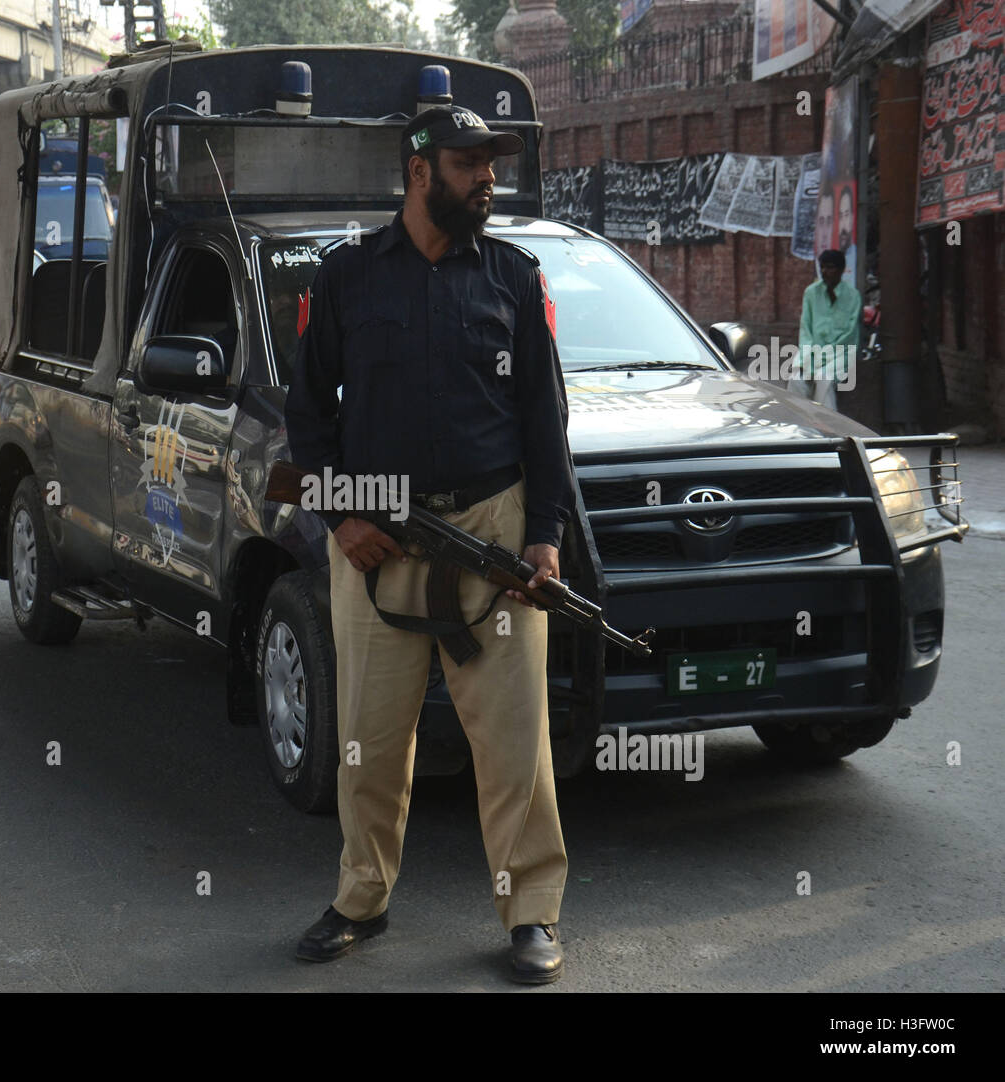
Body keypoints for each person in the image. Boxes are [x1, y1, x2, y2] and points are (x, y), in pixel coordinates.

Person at [284, 105, 576, 984]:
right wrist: (342, 517)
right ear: (419, 171)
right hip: (378, 537)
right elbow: (307, 416)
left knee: (514, 738)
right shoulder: (345, 278)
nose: (488, 177)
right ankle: (361, 898)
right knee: (369, 736)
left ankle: (531, 913)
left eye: (491, 163)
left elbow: (543, 416)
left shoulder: (515, 279)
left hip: (490, 528)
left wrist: (546, 538)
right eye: (468, 163)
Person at [792, 248, 860, 410]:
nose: (824, 272)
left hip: (840, 354)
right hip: (812, 351)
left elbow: (850, 335)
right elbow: (805, 329)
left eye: (830, 267)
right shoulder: (811, 293)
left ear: (841, 270)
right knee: (796, 379)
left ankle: (829, 430)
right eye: (822, 267)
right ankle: (801, 426)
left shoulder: (852, 296)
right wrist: (806, 358)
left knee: (823, 378)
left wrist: (826, 356)